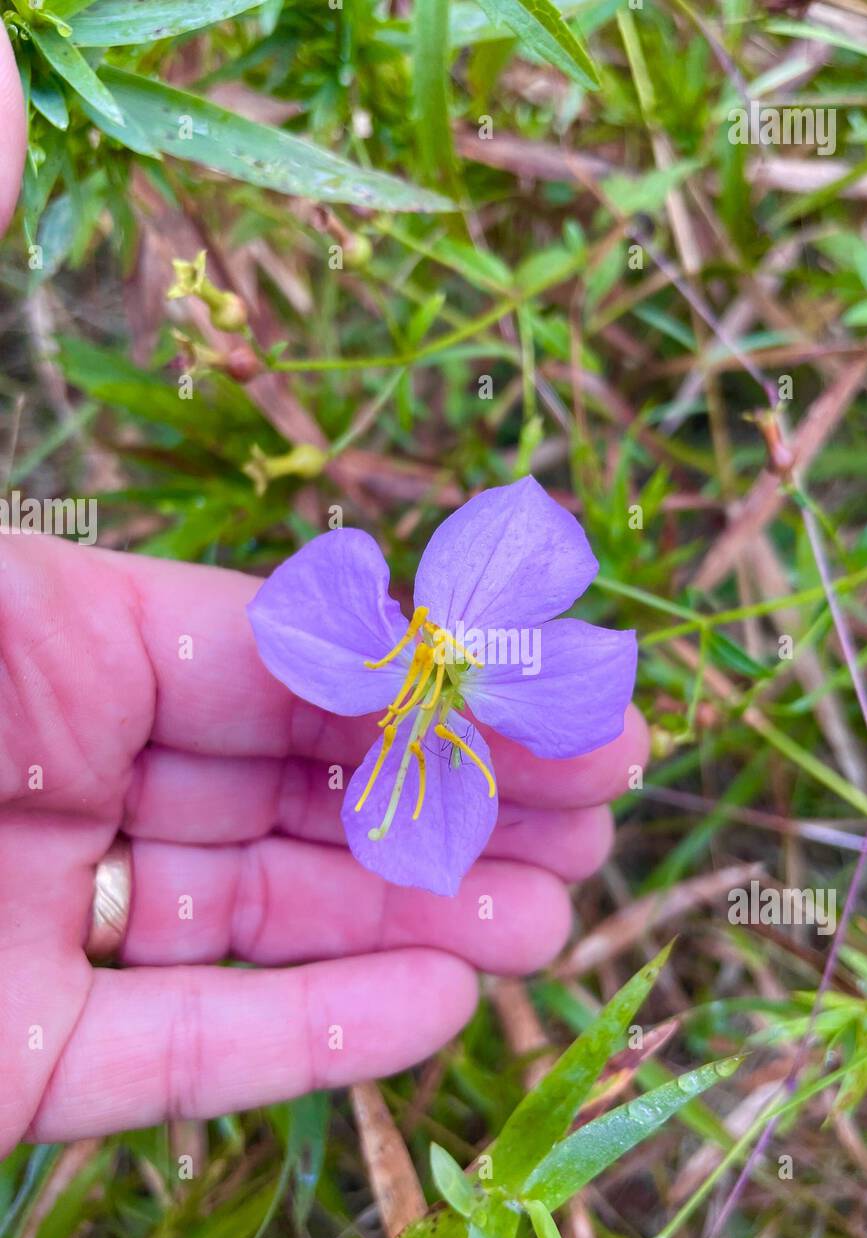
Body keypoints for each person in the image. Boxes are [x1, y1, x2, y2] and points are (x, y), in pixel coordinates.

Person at [0, 27, 647, 1158]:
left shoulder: (478, 669)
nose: (417, 692)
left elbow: (579, 680)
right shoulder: (361, 635)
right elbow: (291, 617)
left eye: (427, 680)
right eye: (424, 673)